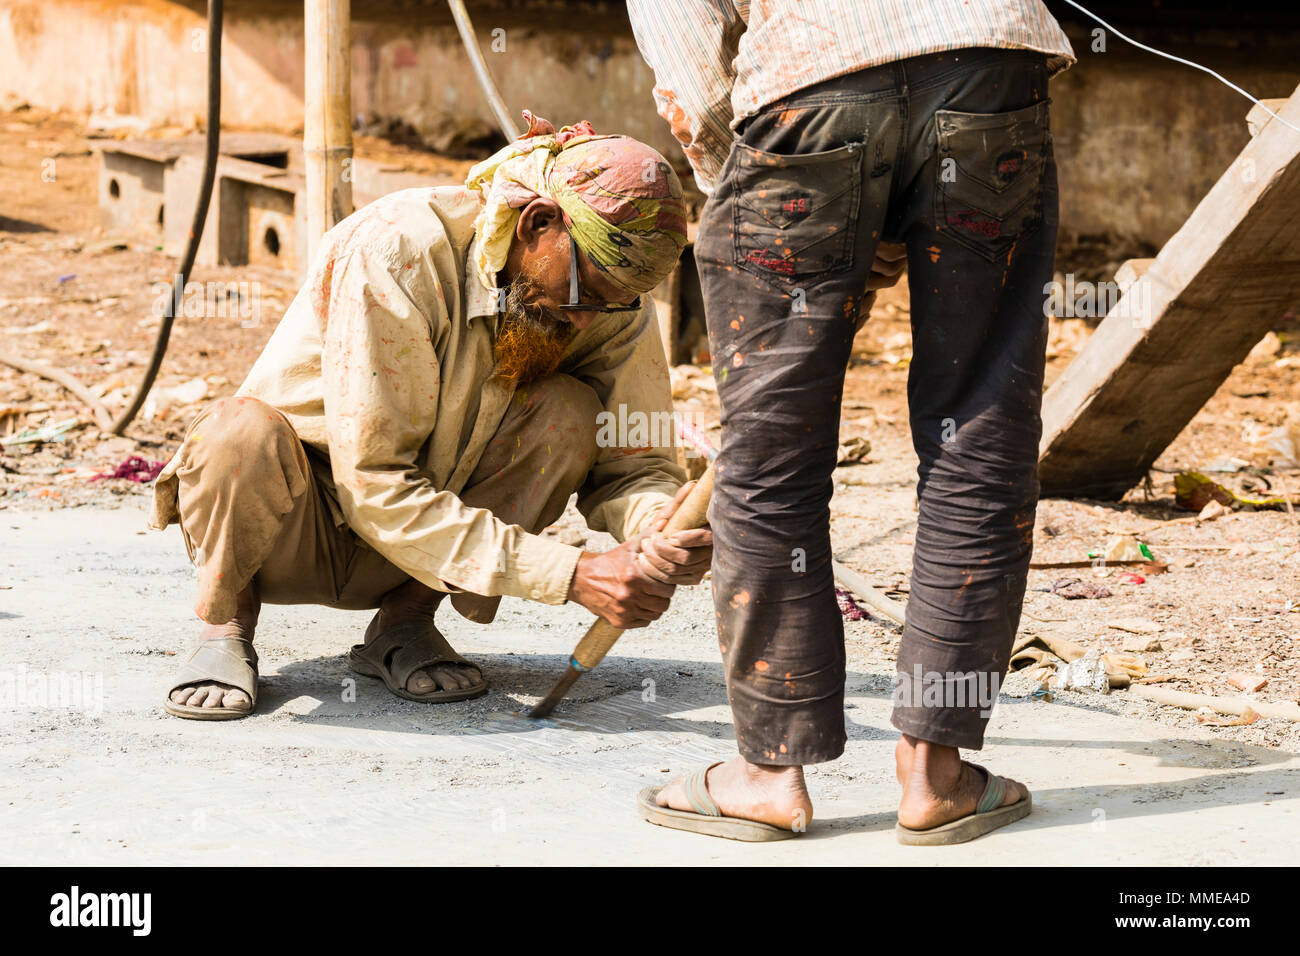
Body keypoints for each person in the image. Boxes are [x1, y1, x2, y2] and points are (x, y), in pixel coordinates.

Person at [629, 0, 1075, 843]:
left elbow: (688, 70)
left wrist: (786, 203)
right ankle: (937, 774)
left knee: (770, 453)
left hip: (809, 88)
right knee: (978, 432)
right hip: (987, 64)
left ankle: (767, 772)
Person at [153, 112, 713, 719]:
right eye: (586, 293)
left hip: (418, 554)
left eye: (612, 305)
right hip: (292, 530)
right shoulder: (396, 249)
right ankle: (225, 626)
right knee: (239, 431)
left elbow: (634, 458)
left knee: (568, 413)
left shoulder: (609, 302)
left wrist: (660, 522)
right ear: (538, 223)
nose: (585, 319)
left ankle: (406, 620)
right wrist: (573, 575)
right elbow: (372, 484)